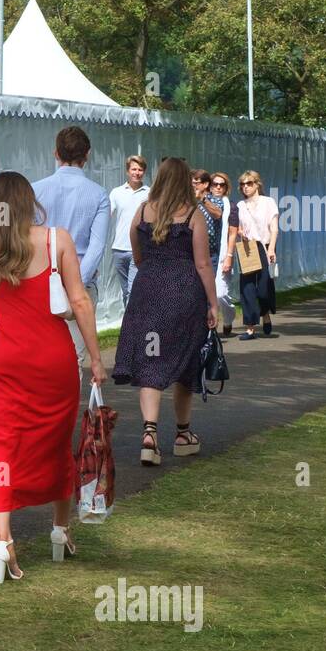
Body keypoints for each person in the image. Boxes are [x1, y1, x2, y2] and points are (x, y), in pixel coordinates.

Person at [0, 172, 107, 583]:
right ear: (29, 202)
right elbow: (79, 300)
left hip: (5, 362)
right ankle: (60, 531)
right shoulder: (57, 240)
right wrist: (95, 358)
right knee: (58, 444)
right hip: (53, 361)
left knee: (3, 450)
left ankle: (2, 543)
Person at [112, 157, 218, 466]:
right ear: (185, 180)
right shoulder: (192, 214)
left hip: (148, 289)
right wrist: (213, 303)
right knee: (185, 359)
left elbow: (135, 247)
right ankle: (183, 434)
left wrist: (150, 266)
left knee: (151, 358)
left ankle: (149, 435)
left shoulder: (144, 209)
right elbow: (202, 263)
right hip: (184, 291)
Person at [31, 126, 110, 367]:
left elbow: (29, 238)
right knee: (73, 356)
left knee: (40, 354)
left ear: (56, 153)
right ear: (87, 155)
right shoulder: (98, 195)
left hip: (40, 281)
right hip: (81, 283)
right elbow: (97, 246)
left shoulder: (35, 189)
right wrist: (76, 283)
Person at [233, 170, 279, 340]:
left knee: (264, 288)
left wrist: (272, 248)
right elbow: (236, 227)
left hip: (265, 246)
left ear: (257, 184)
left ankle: (265, 312)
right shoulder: (240, 206)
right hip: (248, 247)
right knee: (247, 288)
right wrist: (241, 233)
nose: (246, 187)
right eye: (243, 184)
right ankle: (250, 327)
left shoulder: (268, 202)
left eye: (249, 183)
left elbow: (274, 228)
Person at [108, 155, 150, 309]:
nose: (137, 173)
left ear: (144, 172)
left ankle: (130, 326)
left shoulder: (149, 193)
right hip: (118, 248)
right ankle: (131, 324)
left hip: (138, 249)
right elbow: (107, 215)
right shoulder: (116, 192)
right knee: (125, 291)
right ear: (127, 171)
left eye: (140, 170)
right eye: (134, 169)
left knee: (133, 290)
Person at [210, 172, 239, 335]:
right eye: (215, 184)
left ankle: (228, 318)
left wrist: (229, 256)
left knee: (221, 294)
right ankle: (209, 325)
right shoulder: (202, 204)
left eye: (222, 185)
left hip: (222, 255)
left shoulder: (231, 207)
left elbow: (233, 233)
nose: (218, 187)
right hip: (206, 254)